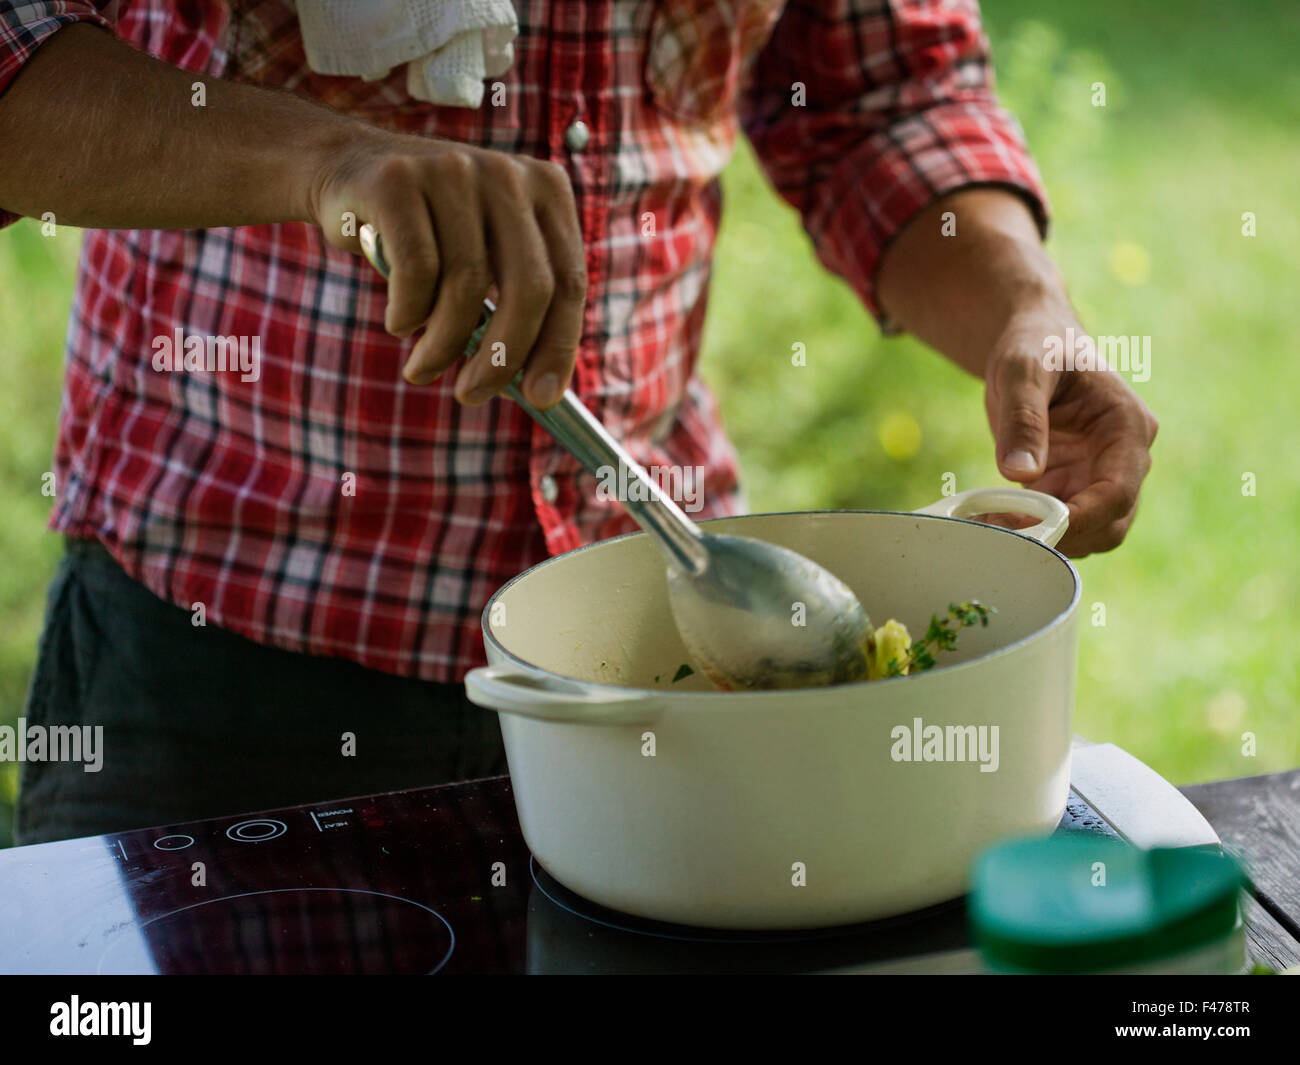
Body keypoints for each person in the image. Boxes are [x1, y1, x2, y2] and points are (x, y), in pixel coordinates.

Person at [0, 0, 1156, 845]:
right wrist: (327, 161)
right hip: (215, 678)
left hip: (670, 678)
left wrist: (1022, 303)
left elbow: (878, 95)